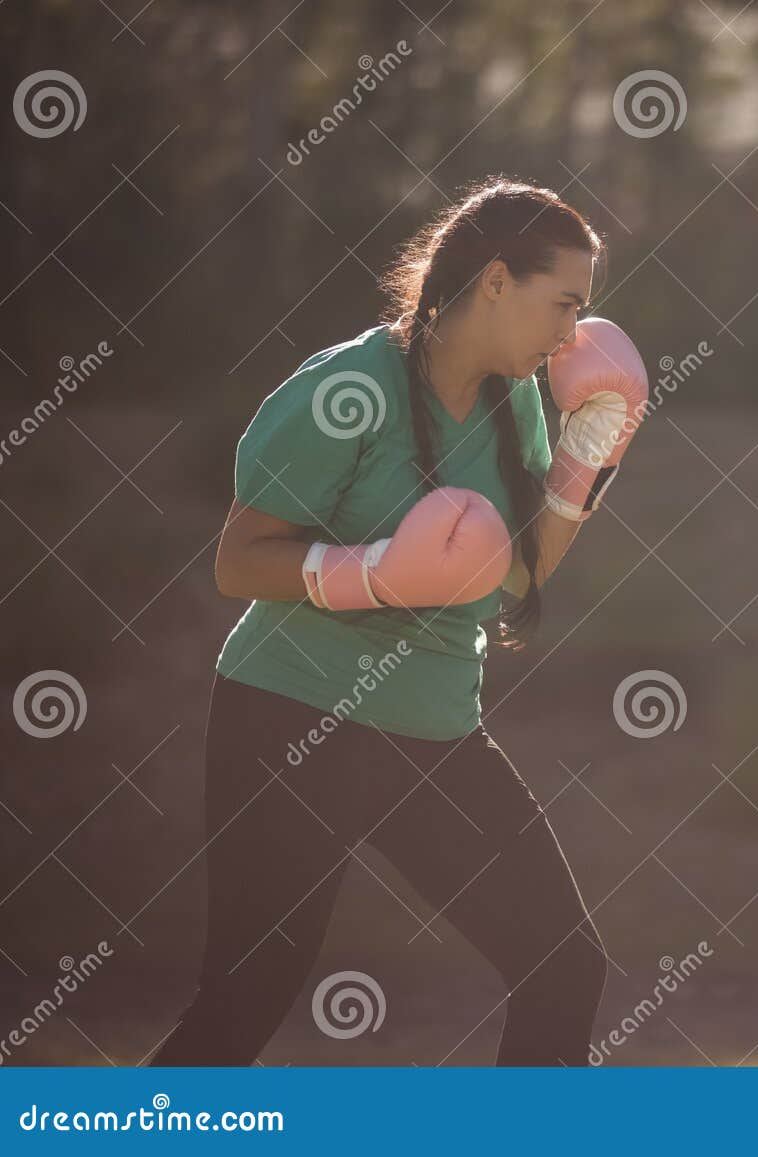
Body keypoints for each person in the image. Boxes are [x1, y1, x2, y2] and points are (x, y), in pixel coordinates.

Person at [150, 179, 648, 1066]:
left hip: (435, 730)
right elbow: (238, 561)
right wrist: (371, 576)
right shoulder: (349, 387)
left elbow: (518, 574)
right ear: (496, 280)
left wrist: (582, 464)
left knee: (563, 966)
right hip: (290, 717)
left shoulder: (520, 401)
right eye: (563, 302)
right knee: (246, 996)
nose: (574, 333)